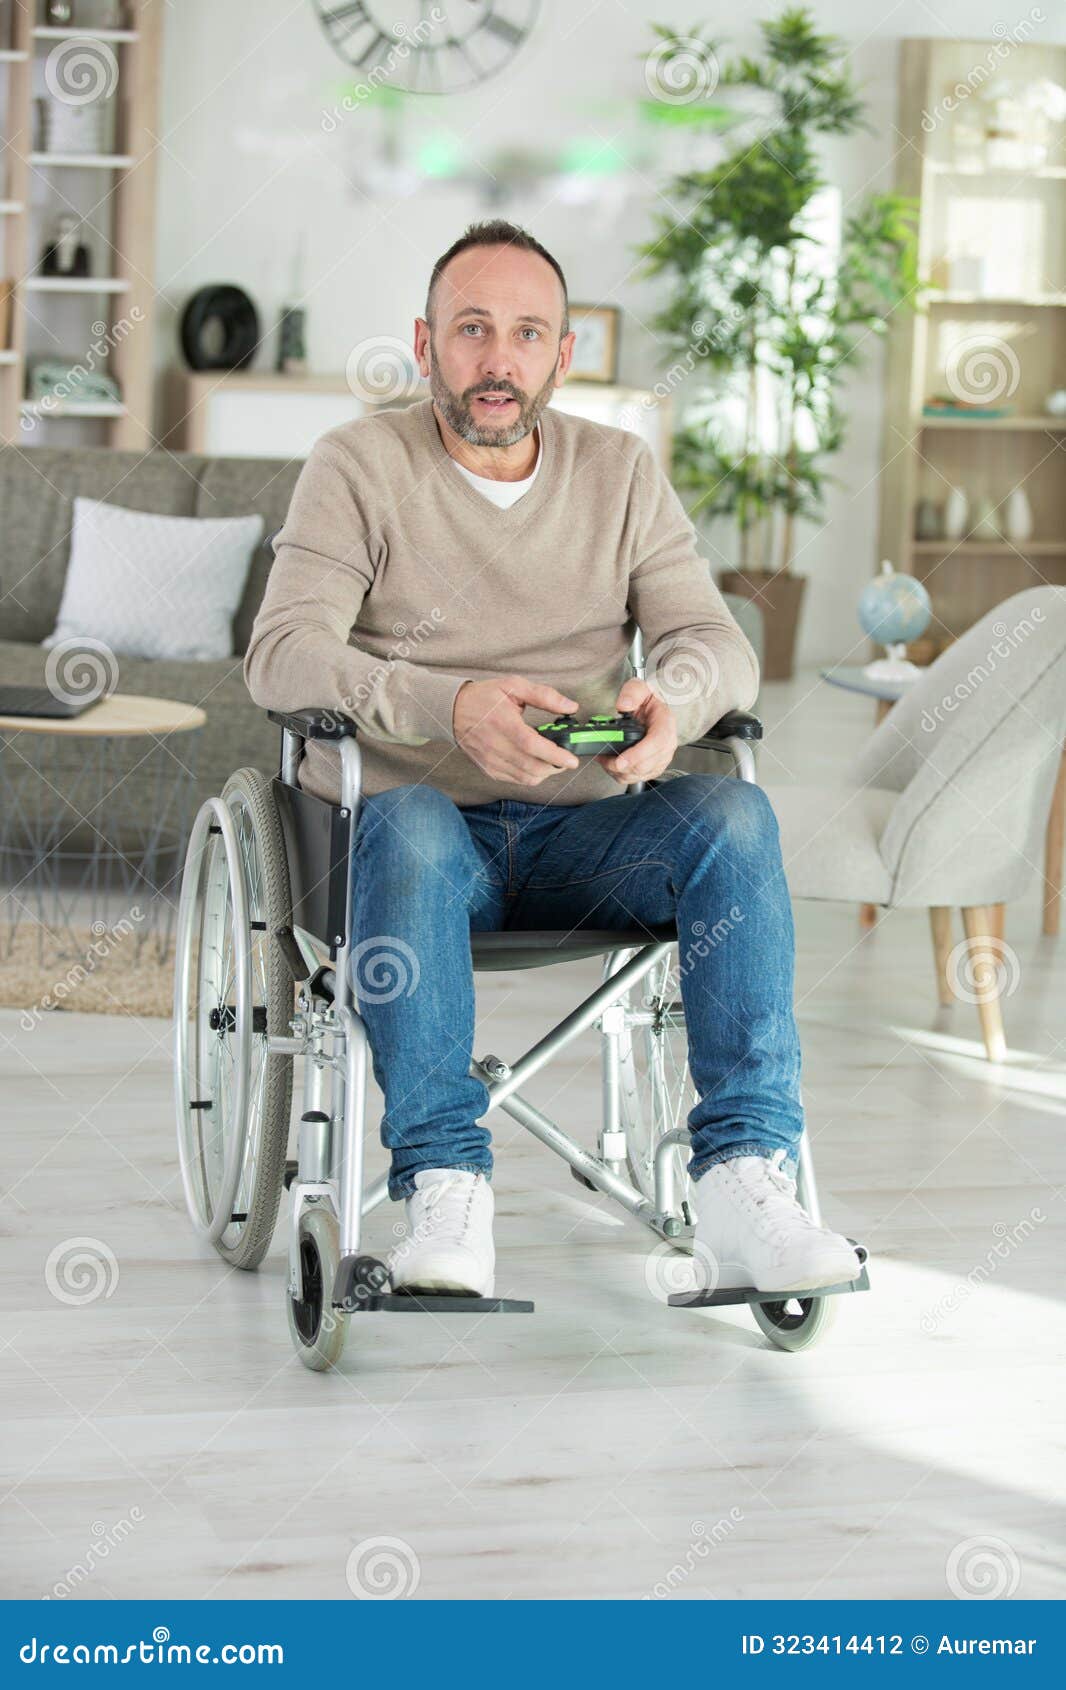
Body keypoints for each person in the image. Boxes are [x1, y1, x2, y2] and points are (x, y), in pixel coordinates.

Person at [244, 219, 862, 1300]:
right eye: (472, 329)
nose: (498, 359)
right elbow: (281, 654)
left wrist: (669, 701)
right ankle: (442, 1183)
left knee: (735, 820)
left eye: (525, 333)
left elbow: (713, 645)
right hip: (415, 840)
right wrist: (449, 708)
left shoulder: (618, 471)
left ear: (564, 354)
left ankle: (742, 1179)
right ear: (425, 344)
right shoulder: (357, 463)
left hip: (587, 836)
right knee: (413, 822)